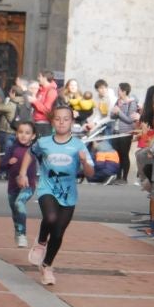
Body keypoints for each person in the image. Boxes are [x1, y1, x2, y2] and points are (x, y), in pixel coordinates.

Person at [25, 106, 93, 287]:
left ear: (72, 122)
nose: (62, 122)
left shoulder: (79, 145)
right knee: (50, 217)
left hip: (68, 194)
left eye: (66, 119)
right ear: (52, 122)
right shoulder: (44, 142)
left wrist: (84, 162)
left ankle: (47, 266)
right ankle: (41, 241)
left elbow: (91, 173)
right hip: (46, 188)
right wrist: (23, 173)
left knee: (57, 233)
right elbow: (30, 153)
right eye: (58, 119)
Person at [4, 120, 37, 249]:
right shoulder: (12, 148)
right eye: (21, 132)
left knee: (19, 203)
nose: (23, 135)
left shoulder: (35, 149)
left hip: (28, 185)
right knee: (15, 211)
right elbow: (2, 166)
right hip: (12, 186)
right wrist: (9, 162)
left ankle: (22, 234)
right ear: (16, 134)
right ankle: (18, 230)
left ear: (33, 136)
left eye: (27, 133)